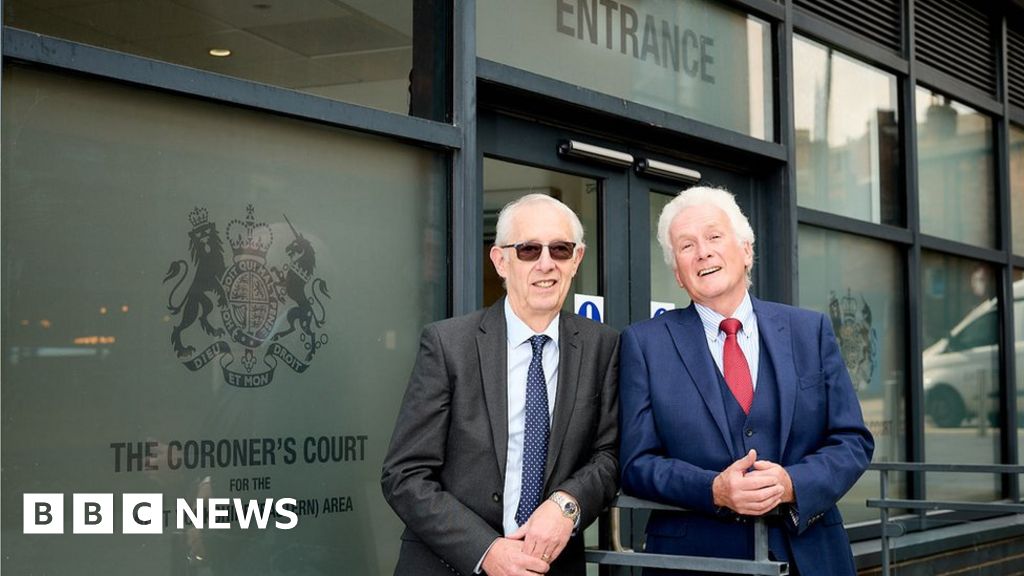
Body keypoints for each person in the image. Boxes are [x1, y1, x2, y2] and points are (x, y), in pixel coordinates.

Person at [619, 186, 873, 575]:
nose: (702, 251)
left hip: (809, 557)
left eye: (714, 236)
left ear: (746, 250)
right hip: (696, 561)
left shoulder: (809, 331)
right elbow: (636, 463)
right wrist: (714, 490)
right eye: (686, 246)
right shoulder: (644, 344)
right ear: (678, 275)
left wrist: (792, 484)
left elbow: (852, 440)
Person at [382, 194, 619, 576]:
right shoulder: (448, 344)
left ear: (576, 260)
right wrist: (486, 550)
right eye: (528, 250)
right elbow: (405, 475)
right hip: (450, 566)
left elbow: (607, 456)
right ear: (500, 261)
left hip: (550, 567)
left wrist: (568, 503)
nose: (546, 263)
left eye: (560, 249)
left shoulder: (603, 346)